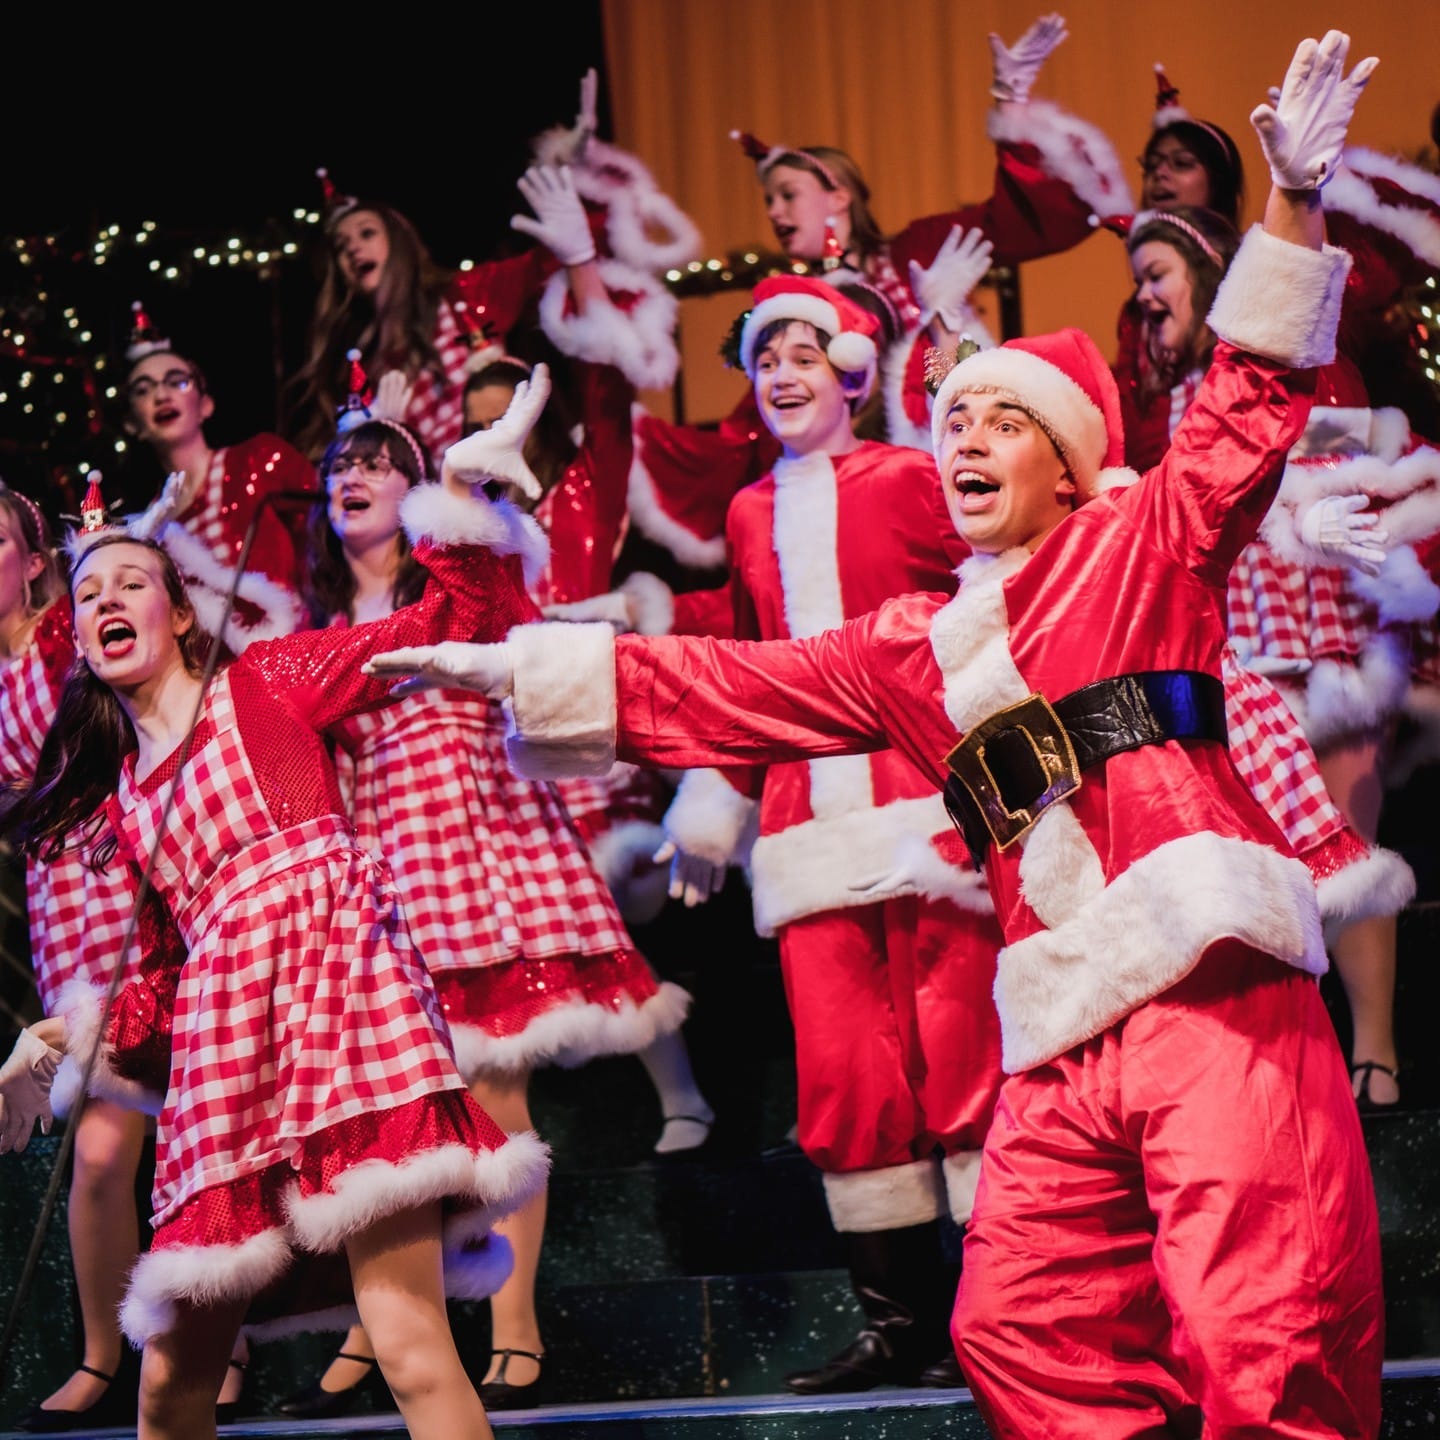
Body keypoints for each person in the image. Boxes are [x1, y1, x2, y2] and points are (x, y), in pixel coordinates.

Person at [367, 33, 1384, 1436]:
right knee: (1020, 1325)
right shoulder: (912, 646)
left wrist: (1295, 206)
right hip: (1065, 1024)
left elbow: (1243, 407)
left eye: (999, 424)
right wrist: (508, 666)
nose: (962, 441)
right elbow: (721, 685)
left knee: (1261, 1335)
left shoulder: (1143, 541)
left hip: (1207, 984)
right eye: (952, 422)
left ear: (1070, 462)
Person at [0, 375, 560, 1440]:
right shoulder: (127, 806)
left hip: (346, 1023)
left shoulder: (269, 679)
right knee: (168, 1390)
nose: (107, 599)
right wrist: (57, 1038)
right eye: (89, 590)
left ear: (178, 610)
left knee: (409, 1344)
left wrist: (462, 501)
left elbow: (450, 625)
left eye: (132, 581)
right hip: (227, 1066)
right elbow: (159, 990)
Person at [551, 274, 1005, 1392]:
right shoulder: (749, 512)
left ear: (850, 372)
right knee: (849, 1078)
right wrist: (718, 794)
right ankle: (901, 1327)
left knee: (964, 1056)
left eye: (806, 354)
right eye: (767, 360)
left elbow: (993, 590)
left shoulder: (910, 476)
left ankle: (1004, 1313)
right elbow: (752, 670)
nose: (785, 375)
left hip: (929, 806)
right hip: (807, 825)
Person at [281, 398, 693, 1416]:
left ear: (414, 487)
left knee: (498, 1101)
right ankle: (378, 1325)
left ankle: (515, 1328)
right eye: (340, 465)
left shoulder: (458, 581)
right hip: (382, 874)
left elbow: (511, 626)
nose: (351, 476)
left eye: (377, 462)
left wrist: (466, 501)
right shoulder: (313, 631)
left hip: (480, 850)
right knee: (395, 1119)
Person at [1124, 201, 1440, 1109]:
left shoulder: (1303, 361)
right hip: (1227, 644)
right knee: (1257, 862)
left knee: (1346, 838)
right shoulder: (1164, 398)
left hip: (1320, 623)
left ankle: (1374, 1052)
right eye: (1138, 281)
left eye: (1157, 276)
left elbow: (1346, 475)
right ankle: (1290, 1060)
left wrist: (1309, 515)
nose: (1144, 297)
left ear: (1209, 276)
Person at [625, 13, 1102, 574]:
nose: (774, 211)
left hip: (939, 486)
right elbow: (747, 433)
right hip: (845, 508)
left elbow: (1038, 220)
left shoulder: (916, 252)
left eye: (787, 194)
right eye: (769, 200)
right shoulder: (787, 310)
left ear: (838, 196)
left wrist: (1011, 105)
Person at [288, 72, 697, 462]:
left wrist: (581, 172)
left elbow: (563, 251)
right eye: (341, 246)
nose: (353, 249)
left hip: (509, 486)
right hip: (431, 505)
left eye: (366, 233)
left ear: (399, 243)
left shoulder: (466, 296)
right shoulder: (357, 359)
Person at [0, 481, 155, 1433]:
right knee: (99, 1155)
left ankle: (218, 1341)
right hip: (61, 902)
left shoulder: (63, 638)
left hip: (130, 871)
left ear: (31, 563)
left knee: (179, 1127)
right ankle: (105, 1356)